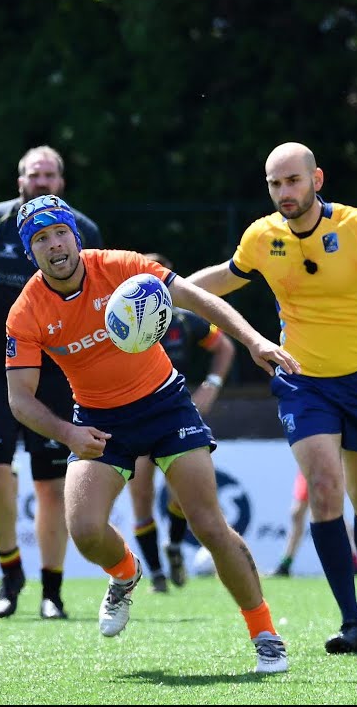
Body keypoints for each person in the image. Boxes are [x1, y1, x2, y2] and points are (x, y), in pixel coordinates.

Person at [5, 195, 294, 674]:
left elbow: (195, 298)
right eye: (40, 239)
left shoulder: (120, 267)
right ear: (29, 251)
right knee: (85, 532)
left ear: (75, 236)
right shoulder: (27, 311)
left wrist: (253, 340)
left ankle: (265, 634)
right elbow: (20, 399)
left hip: (165, 404)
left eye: (60, 232)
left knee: (208, 523)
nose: (54, 245)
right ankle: (125, 573)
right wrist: (68, 433)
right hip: (100, 420)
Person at [187, 143, 357, 654]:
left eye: (293, 181)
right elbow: (227, 277)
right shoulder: (261, 236)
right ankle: (351, 622)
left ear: (316, 179)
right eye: (275, 183)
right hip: (302, 381)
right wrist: (167, 292)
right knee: (324, 488)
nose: (284, 192)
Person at [0, 146, 102, 620]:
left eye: (50, 175)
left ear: (61, 182)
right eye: (33, 174)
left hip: (58, 366)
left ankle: (52, 590)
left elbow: (96, 301)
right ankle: (11, 573)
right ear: (20, 179)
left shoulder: (84, 230)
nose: (41, 181)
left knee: (52, 484)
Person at [126, 252, 236, 594]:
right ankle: (157, 575)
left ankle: (173, 545)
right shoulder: (122, 320)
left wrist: (211, 385)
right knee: (141, 495)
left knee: (179, 495)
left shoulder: (185, 320)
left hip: (174, 416)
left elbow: (225, 348)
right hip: (133, 417)